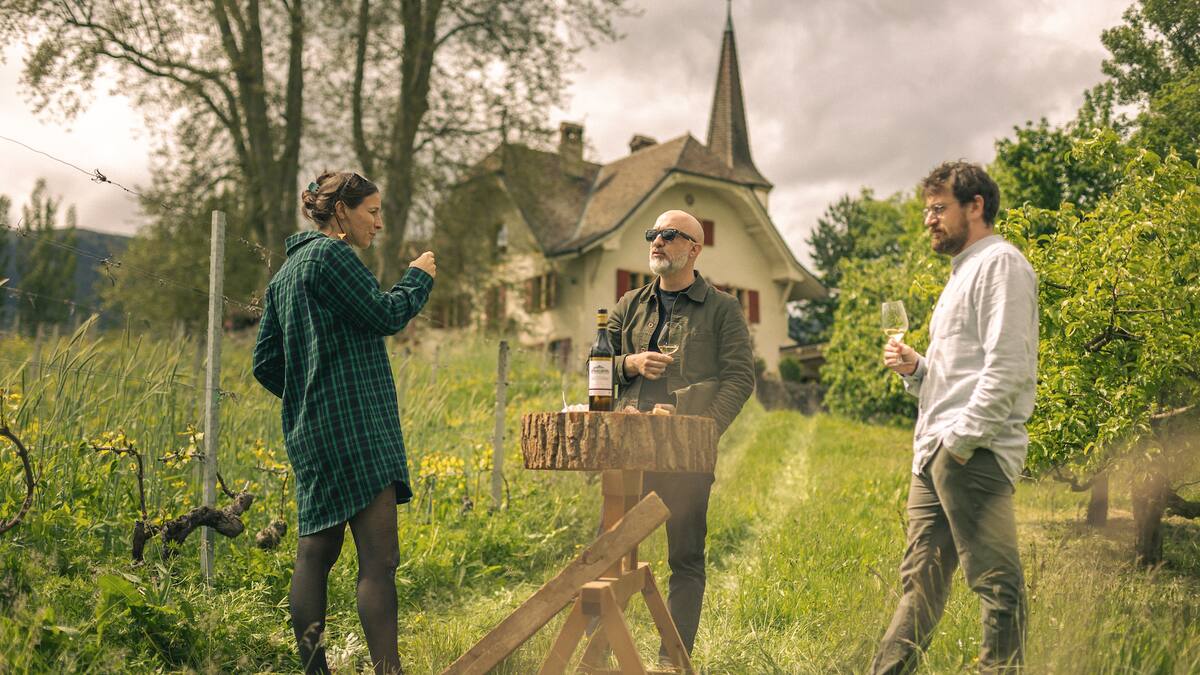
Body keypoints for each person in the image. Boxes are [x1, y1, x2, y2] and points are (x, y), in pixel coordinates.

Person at [253, 171, 436, 675]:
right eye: (372, 212)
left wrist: (309, 394)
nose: (378, 223)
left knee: (316, 552)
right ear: (342, 212)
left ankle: (315, 672)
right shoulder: (331, 256)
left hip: (311, 433)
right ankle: (388, 672)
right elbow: (384, 314)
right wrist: (419, 276)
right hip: (357, 430)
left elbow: (265, 363)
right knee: (379, 562)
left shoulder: (286, 274)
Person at [873, 162, 1038, 674]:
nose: (929, 221)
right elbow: (956, 378)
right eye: (927, 211)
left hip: (971, 452)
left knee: (997, 586)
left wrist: (962, 443)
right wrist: (917, 368)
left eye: (939, 208)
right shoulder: (960, 273)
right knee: (920, 584)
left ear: (976, 206)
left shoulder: (1001, 264)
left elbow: (1007, 367)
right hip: (934, 455)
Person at [607, 209, 756, 657]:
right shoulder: (628, 304)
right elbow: (595, 366)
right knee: (610, 555)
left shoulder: (723, 308)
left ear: (694, 248)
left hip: (686, 454)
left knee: (685, 560)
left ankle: (671, 662)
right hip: (628, 448)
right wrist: (629, 363)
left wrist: (701, 431)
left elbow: (739, 379)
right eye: (653, 234)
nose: (657, 241)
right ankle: (604, 656)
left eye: (670, 235)